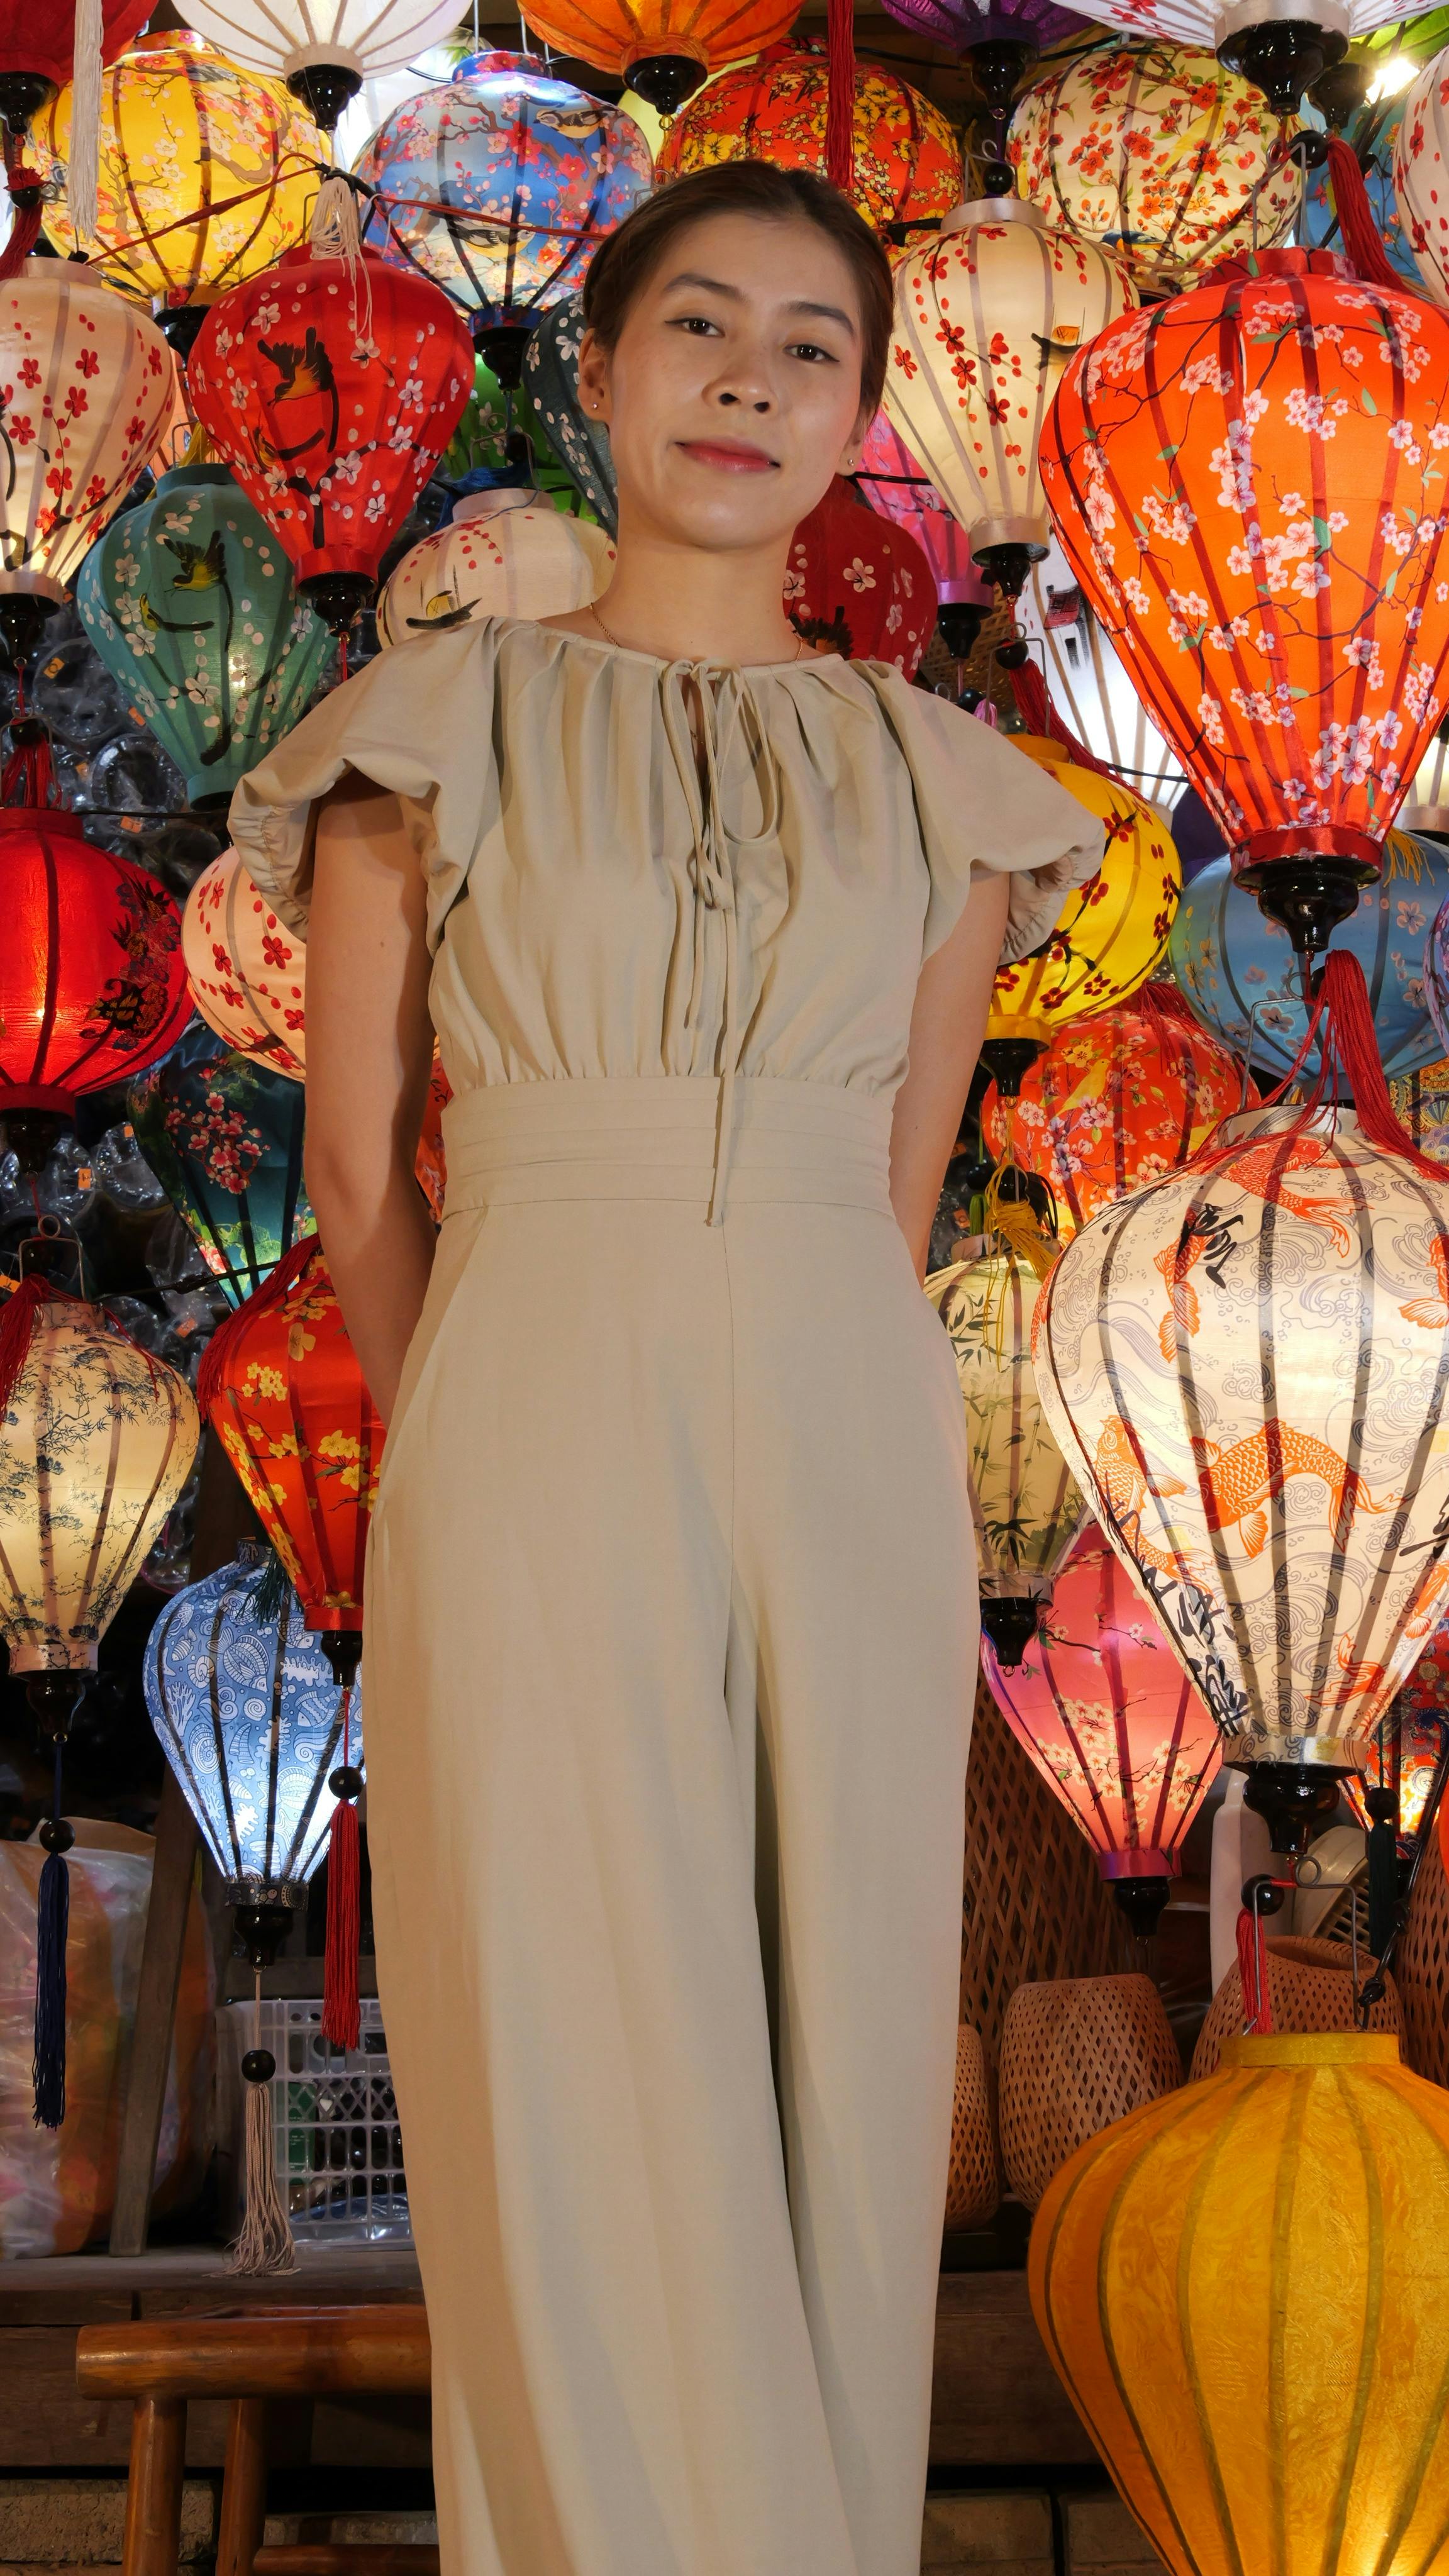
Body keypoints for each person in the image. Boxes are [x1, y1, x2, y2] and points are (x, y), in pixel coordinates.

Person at [231, 160, 1102, 2576]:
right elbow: (352, 1180)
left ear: (861, 417)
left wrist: (784, 1368)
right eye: (695, 325)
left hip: (841, 1405)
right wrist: (483, 1436)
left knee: (834, 2044)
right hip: (529, 1394)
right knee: (574, 2044)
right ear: (593, 372)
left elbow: (906, 1187)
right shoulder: (434, 727)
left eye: (809, 343)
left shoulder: (940, 783)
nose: (747, 374)